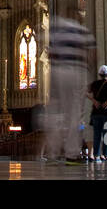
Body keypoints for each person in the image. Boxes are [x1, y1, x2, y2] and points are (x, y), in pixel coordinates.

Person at [40, 16, 96, 164]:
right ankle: (71, 154)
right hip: (75, 73)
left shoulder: (57, 29)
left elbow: (49, 53)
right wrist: (89, 76)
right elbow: (91, 55)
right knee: (74, 115)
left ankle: (52, 153)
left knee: (54, 113)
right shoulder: (82, 31)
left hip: (58, 72)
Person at [87, 66, 107, 161]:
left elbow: (85, 92)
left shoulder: (94, 84)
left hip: (96, 112)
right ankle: (106, 155)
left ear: (99, 75)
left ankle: (96, 155)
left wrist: (94, 100)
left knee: (97, 134)